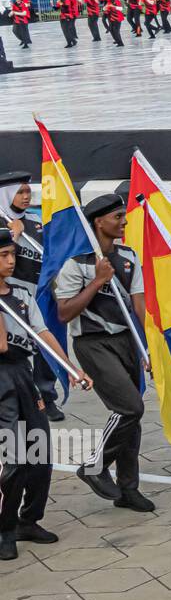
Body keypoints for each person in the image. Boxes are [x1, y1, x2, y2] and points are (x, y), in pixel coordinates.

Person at [54, 194, 152, 512]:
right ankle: (94, 466)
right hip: (93, 343)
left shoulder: (128, 256)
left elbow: (138, 305)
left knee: (132, 418)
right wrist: (97, 282)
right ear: (99, 222)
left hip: (126, 341)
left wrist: (145, 347)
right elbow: (65, 313)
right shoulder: (75, 263)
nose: (124, 221)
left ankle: (128, 488)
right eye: (118, 216)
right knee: (129, 408)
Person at [0, 228, 89, 560]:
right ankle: (4, 528)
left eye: (12, 254)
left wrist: (71, 368)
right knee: (14, 460)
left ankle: (29, 519)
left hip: (23, 376)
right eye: (3, 256)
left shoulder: (21, 295)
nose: (11, 261)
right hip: (0, 383)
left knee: (39, 454)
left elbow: (41, 333)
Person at [1, 171, 64, 422]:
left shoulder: (35, 222)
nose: (27, 197)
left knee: (44, 341)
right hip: (9, 298)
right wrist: (14, 235)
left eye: (28, 192)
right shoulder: (3, 224)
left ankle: (47, 396)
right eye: (20, 192)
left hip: (37, 293)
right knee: (17, 346)